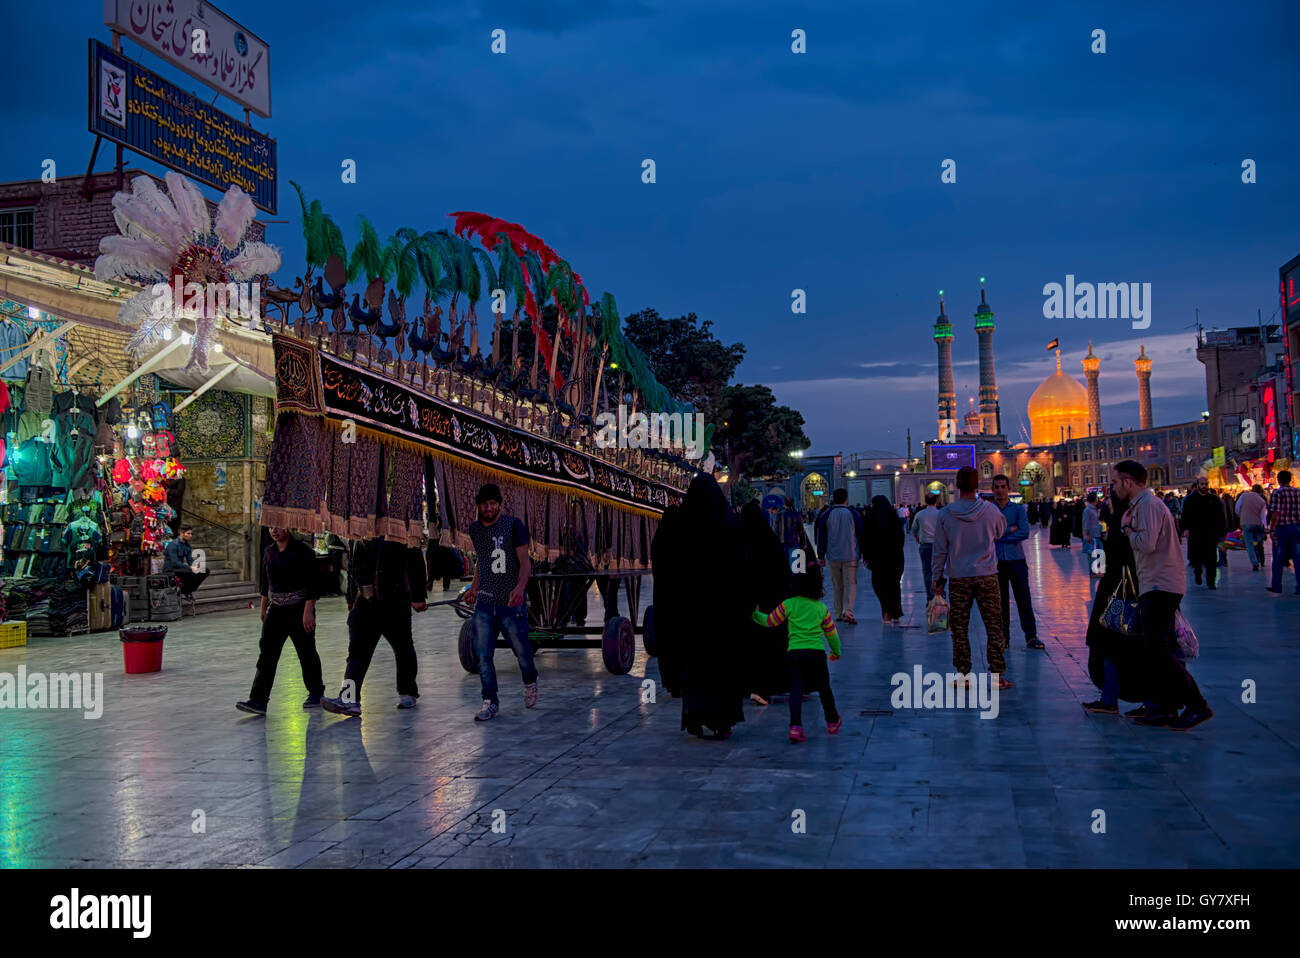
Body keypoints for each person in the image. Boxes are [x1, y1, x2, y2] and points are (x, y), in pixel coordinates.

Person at [1113, 459, 1213, 729]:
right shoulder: (1145, 504)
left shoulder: (1146, 505)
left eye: (1115, 482)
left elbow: (1146, 543)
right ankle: (1167, 708)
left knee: (1157, 649)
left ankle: (1197, 704)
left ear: (1127, 481)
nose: (1113, 487)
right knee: (1157, 649)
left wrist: (1126, 530)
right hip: (1157, 583)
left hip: (1160, 585)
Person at [321, 537, 428, 717]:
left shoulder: (397, 528)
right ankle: (349, 698)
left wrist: (418, 595)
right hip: (364, 600)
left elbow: (415, 560)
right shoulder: (358, 534)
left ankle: (408, 691)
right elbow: (354, 568)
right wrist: (351, 598)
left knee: (402, 647)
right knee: (356, 653)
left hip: (394, 600)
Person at [676, 471, 748, 739]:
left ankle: (695, 717)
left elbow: (676, 571)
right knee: (722, 666)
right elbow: (741, 569)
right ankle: (722, 721)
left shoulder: (685, 526)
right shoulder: (730, 525)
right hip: (724, 611)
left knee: (696, 666)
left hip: (695, 611)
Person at [464, 483, 538, 721]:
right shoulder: (475, 530)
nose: (488, 508)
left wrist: (519, 588)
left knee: (522, 651)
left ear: (499, 504)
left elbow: (524, 561)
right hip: (485, 604)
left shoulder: (513, 526)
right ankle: (490, 701)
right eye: (484, 504)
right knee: (483, 655)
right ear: (479, 506)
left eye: (492, 504)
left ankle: (530, 680)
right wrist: (473, 589)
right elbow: (482, 563)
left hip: (510, 602)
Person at [932, 466, 1010, 689]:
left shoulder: (946, 514)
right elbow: (999, 533)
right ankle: (997, 676)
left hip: (959, 577)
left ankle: (964, 675)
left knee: (959, 627)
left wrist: (937, 577)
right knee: (994, 625)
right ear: (977, 485)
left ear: (957, 485)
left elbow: (939, 550)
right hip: (987, 575)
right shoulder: (991, 511)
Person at [237, 527, 325, 715]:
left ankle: (316, 692)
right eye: (271, 528)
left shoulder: (303, 551)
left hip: (299, 607)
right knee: (267, 654)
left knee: (306, 651)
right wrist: (263, 607)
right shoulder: (269, 552)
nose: (274, 531)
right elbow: (266, 582)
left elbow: (313, 583)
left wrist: (308, 611)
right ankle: (258, 700)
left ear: (288, 526)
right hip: (276, 609)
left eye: (278, 527)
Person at [750, 564, 842, 743]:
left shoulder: (789, 604)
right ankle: (832, 720)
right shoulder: (821, 609)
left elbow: (770, 621)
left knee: (796, 690)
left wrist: (754, 614)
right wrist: (836, 652)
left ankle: (795, 726)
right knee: (824, 689)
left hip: (795, 654)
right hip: (817, 654)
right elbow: (832, 634)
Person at [1082, 486, 1150, 714]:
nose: (1106, 502)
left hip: (1125, 593)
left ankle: (1152, 701)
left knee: (1128, 646)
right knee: (1112, 646)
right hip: (1114, 591)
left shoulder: (1127, 523)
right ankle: (1109, 697)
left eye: (1110, 498)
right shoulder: (1117, 524)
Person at [740, 501, 792, 706]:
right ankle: (779, 684)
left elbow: (748, 575)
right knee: (776, 646)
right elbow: (784, 573)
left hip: (757, 606)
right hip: (776, 605)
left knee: (757, 648)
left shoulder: (745, 544)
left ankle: (759, 687)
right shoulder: (770, 541)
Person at [992, 475, 1044, 650]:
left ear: (1008, 488)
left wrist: (1001, 535)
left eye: (1003, 486)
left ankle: (1031, 636)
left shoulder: (1018, 509)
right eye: (997, 487)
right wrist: (1009, 530)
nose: (1000, 490)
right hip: (997, 562)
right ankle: (1003, 637)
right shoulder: (989, 511)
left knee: (1023, 598)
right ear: (993, 490)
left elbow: (1024, 532)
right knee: (1000, 602)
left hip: (1017, 560)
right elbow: (989, 535)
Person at [650, 503, 688, 697]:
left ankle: (672, 683)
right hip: (681, 601)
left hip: (663, 600)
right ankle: (682, 680)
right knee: (681, 641)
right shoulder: (683, 542)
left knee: (667, 642)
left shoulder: (659, 541)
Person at [815, 488, 865, 623]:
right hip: (851, 555)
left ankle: (838, 613)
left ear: (833, 499)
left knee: (837, 585)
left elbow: (822, 537)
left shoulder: (826, 515)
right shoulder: (853, 514)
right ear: (846, 499)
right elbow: (861, 535)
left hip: (833, 556)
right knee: (850, 584)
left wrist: (820, 555)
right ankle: (848, 611)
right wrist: (865, 553)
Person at [862, 495, 905, 624]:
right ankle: (896, 613)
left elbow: (866, 540)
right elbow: (900, 539)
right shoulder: (895, 519)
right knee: (894, 586)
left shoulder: (871, 519)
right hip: (895, 560)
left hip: (878, 560)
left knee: (880, 586)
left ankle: (886, 612)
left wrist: (867, 556)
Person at [1182, 476, 1226, 590]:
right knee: (1196, 558)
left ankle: (1211, 581)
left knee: (1211, 558)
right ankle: (1198, 573)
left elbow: (1220, 516)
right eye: (1202, 484)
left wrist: (1222, 531)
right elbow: (1185, 515)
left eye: (1206, 484)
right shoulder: (1190, 499)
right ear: (1198, 485)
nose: (1204, 486)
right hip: (1195, 533)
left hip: (1211, 533)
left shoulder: (1214, 500)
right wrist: (1185, 529)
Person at [1266, 469, 1300, 595]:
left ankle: (1277, 586)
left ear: (1278, 480)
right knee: (1298, 558)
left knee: (1279, 558)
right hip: (1297, 528)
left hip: (1282, 529)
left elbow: (1276, 513)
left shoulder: (1277, 493)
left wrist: (1272, 529)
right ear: (1290, 480)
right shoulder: (1298, 492)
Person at [163, 525, 209, 598]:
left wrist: (195, 566)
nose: (190, 535)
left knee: (205, 570)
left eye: (191, 533)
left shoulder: (187, 545)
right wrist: (190, 567)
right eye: (188, 533)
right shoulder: (173, 545)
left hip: (181, 569)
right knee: (189, 572)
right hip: (171, 569)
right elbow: (175, 562)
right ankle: (185, 590)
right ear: (181, 533)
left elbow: (190, 559)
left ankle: (187, 590)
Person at [912, 492, 941, 602]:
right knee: (938, 571)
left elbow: (913, 529)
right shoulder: (940, 514)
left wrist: (918, 536)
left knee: (927, 572)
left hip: (925, 547)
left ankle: (930, 596)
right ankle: (940, 594)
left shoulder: (920, 514)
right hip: (939, 547)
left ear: (925, 501)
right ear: (936, 501)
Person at [1236, 483, 1268, 572]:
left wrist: (1241, 515)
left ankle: (1255, 563)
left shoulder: (1243, 496)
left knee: (1249, 544)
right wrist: (1264, 527)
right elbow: (1263, 516)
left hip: (1246, 523)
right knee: (1258, 542)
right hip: (1257, 524)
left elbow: (1237, 509)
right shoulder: (1262, 501)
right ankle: (1261, 558)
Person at [777, 497, 812, 568]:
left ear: (784, 504)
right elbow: (801, 530)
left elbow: (776, 530)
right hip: (794, 541)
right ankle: (793, 577)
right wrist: (804, 543)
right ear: (793, 504)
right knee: (793, 563)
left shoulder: (779, 515)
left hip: (782, 541)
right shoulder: (796, 514)